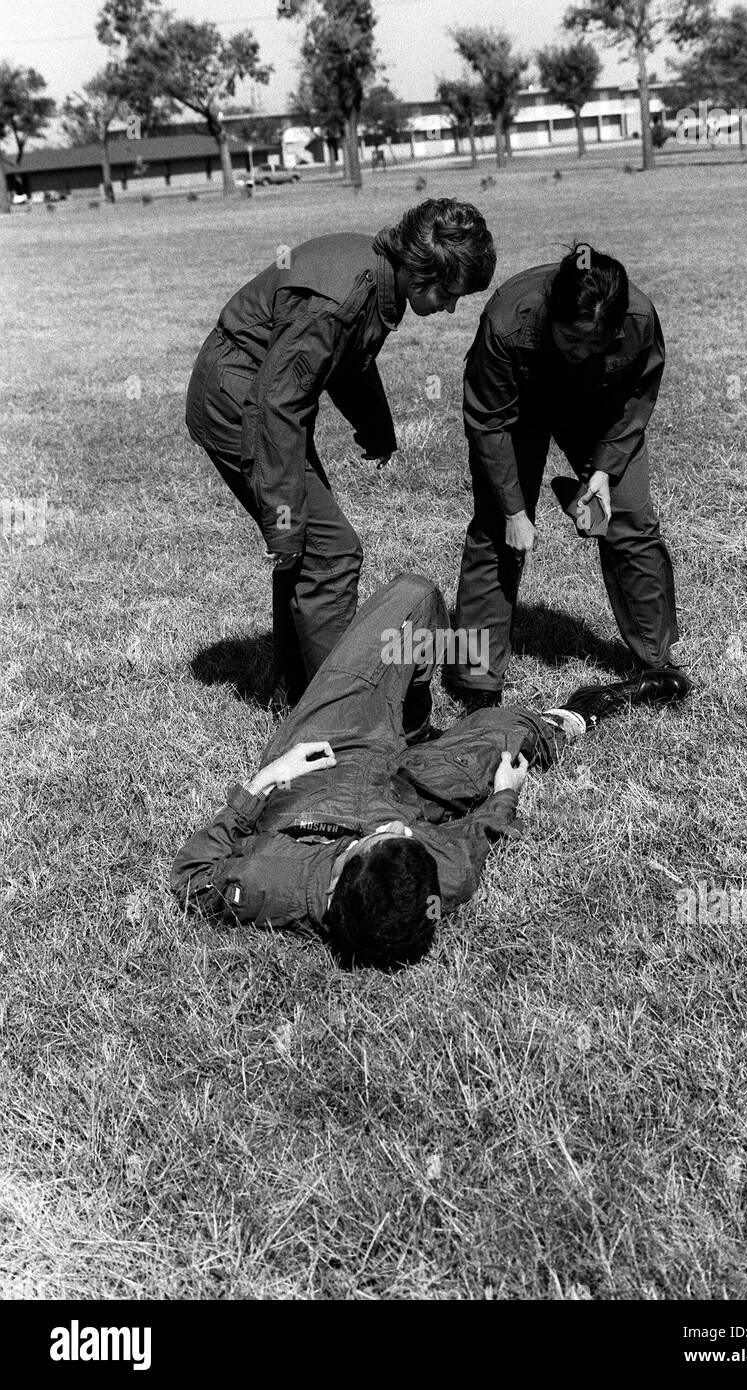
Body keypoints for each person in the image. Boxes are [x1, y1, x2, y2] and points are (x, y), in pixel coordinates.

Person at [171, 571, 670, 971]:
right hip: (409, 789)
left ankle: (408, 715)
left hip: (321, 758)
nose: (392, 832)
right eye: (403, 838)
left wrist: (264, 782)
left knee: (413, 597)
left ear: (336, 880)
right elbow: (478, 834)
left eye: (380, 840)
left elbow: (189, 879)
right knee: (505, 732)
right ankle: (580, 713)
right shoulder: (440, 879)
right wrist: (504, 794)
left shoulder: (264, 885)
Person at [185, 199, 496, 706]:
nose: (451, 307)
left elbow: (349, 358)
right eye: (449, 293)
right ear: (419, 272)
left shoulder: (376, 277)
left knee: (311, 547)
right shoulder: (341, 298)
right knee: (330, 551)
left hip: (257, 393)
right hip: (240, 403)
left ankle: (293, 692)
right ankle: (340, 711)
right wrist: (282, 520)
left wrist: (376, 428)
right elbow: (275, 406)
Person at [442, 243, 690, 709]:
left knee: (631, 522)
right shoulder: (507, 319)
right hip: (519, 408)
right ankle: (475, 678)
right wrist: (515, 511)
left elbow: (637, 397)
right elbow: (488, 422)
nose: (580, 351)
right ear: (551, 314)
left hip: (597, 408)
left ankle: (657, 660)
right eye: (571, 339)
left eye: (595, 344)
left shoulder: (637, 320)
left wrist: (605, 470)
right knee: (497, 532)